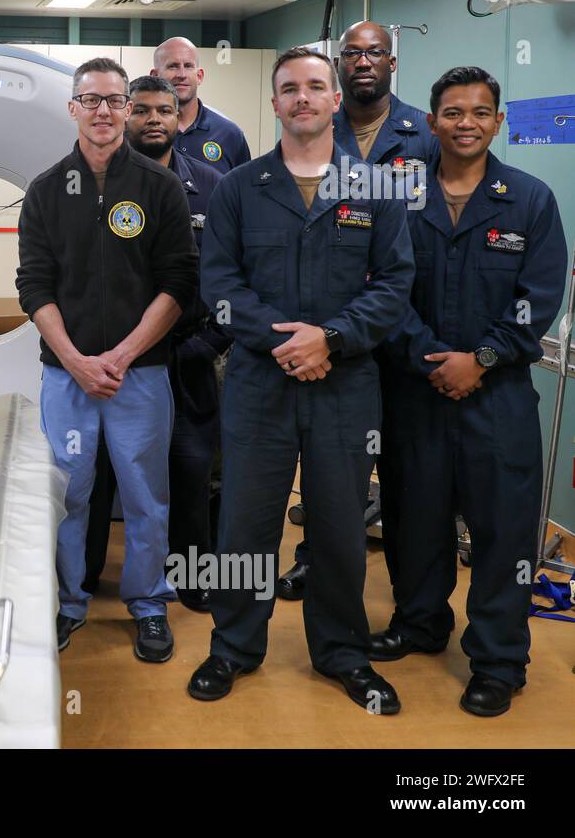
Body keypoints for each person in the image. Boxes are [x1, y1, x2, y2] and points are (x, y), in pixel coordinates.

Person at [188, 47, 414, 712]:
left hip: (345, 385)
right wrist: (288, 343)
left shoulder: (377, 189)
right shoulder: (238, 190)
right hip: (261, 382)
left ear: (335, 97)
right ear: (275, 102)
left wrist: (333, 338)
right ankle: (233, 646)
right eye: (290, 89)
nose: (304, 99)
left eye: (316, 87)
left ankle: (343, 652)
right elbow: (220, 285)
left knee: (341, 525)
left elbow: (397, 283)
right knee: (245, 523)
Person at [375, 66, 566, 716]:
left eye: (480, 112)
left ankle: (498, 660)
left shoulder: (530, 200)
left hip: (499, 400)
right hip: (417, 393)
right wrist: (436, 359)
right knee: (414, 519)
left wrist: (479, 359)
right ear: (432, 123)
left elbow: (536, 300)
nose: (466, 123)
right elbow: (383, 291)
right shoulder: (399, 200)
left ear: (498, 122)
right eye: (453, 112)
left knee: (504, 534)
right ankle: (420, 624)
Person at [16, 57, 198, 662]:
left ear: (127, 108)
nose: (103, 111)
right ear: (72, 109)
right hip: (65, 377)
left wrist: (119, 356)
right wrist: (74, 361)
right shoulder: (45, 191)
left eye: (114, 100)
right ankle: (69, 604)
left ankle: (148, 605)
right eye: (90, 100)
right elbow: (34, 286)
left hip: (138, 376)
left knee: (146, 495)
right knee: (67, 493)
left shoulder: (159, 187)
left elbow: (179, 283)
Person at [279, 20, 438, 601]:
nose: (364, 61)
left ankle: (408, 594)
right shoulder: (318, 122)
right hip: (327, 328)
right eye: (352, 53)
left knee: (402, 468)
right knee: (326, 467)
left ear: (392, 63)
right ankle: (313, 562)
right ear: (340, 68)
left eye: (375, 53)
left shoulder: (422, 132)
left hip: (400, 322)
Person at [126, 75, 228, 613]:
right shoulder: (104, 183)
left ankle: (194, 573)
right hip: (124, 355)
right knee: (121, 469)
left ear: (178, 116)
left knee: (193, 468)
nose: (153, 120)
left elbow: (238, 273)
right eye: (141, 110)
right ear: (125, 116)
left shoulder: (213, 185)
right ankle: (105, 572)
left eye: (163, 110)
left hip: (191, 351)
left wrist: (211, 342)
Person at [151, 36, 252, 175]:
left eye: (188, 66)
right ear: (154, 76)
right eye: (172, 66)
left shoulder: (229, 134)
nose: (181, 74)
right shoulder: (139, 133)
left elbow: (245, 190)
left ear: (199, 76)